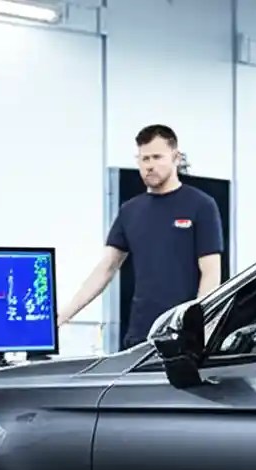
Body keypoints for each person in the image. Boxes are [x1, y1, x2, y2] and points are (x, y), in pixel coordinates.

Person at [57, 124, 224, 349]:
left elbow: (211, 273)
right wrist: (64, 315)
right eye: (144, 159)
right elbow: (106, 267)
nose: (150, 166)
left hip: (183, 337)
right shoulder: (130, 210)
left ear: (175, 157)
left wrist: (199, 329)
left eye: (157, 157)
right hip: (139, 336)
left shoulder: (201, 205)